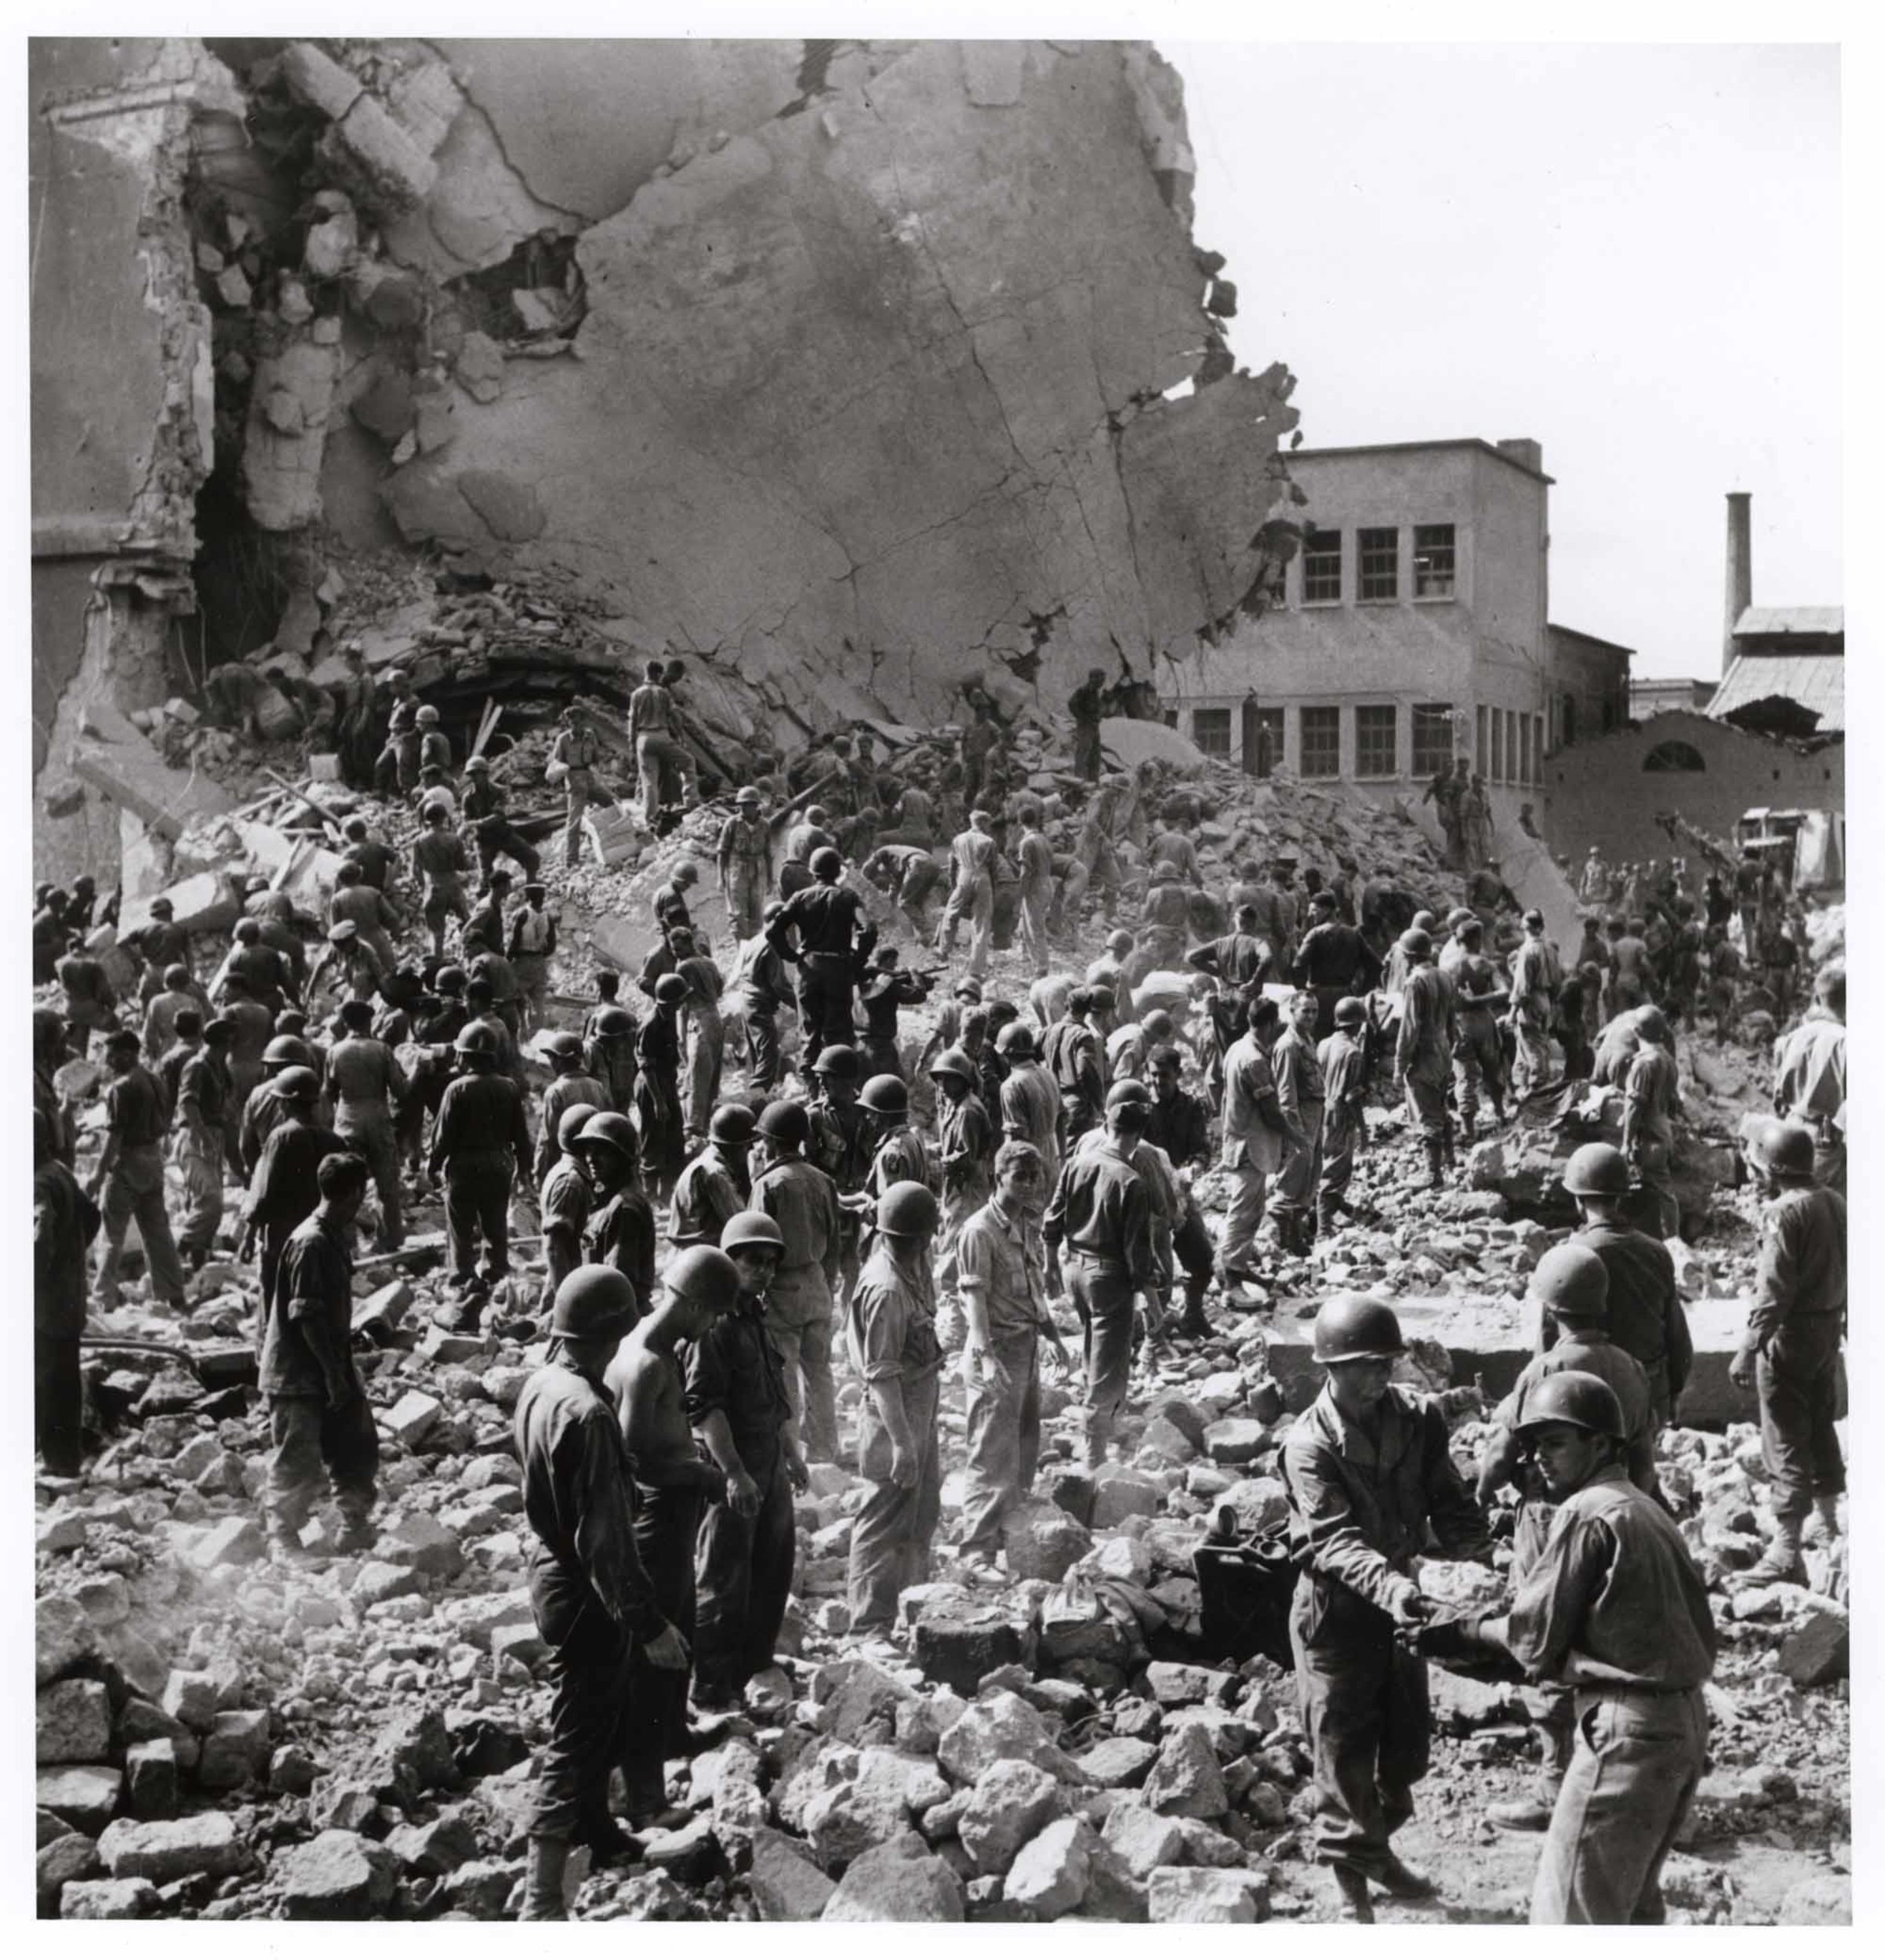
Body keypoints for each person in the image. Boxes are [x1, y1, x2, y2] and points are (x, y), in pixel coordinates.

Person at [1429, 1372, 1716, 1925]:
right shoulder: (1645, 1508)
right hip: (1680, 1725)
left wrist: (1456, 1634)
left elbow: (1531, 1635)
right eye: (1534, 1445)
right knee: (1630, 1910)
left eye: (1557, 1443)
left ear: (1603, 1444)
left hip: (1627, 1731)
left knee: (1571, 1918)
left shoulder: (1587, 1512)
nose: (1539, 1458)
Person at [1280, 1294, 1491, 1922]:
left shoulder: (1415, 1418)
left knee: (1405, 1752)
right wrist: (1396, 1587)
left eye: (1386, 1363)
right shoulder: (1308, 1446)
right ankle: (1352, 1891)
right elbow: (1335, 1542)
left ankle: (1378, 1852)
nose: (1379, 1376)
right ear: (1331, 1369)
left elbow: (1450, 1501)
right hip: (1337, 1617)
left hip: (1403, 1612)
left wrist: (1480, 1562)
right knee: (1343, 1754)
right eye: (1365, 1366)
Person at [514, 1266, 690, 1917]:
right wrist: (649, 1625)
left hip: (552, 1575)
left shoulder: (542, 1383)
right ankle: (541, 1897)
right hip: (585, 1589)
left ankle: (596, 1829)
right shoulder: (589, 1414)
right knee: (578, 1730)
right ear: (613, 1331)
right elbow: (607, 1542)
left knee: (601, 1710)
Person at [1473, 1247, 1658, 1834]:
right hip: (1619, 1510)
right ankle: (1615, 1776)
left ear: (1551, 1307)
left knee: (1546, 1640)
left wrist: (1481, 1497)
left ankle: (1558, 1787)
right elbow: (1645, 1452)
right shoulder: (1630, 1365)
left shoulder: (1544, 1371)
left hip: (1553, 1520)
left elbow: (1502, 1455)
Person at [606, 1247, 742, 1824]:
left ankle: (676, 1735)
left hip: (674, 1515)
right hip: (655, 1519)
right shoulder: (650, 1364)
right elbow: (633, 1460)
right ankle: (645, 1797)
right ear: (690, 1303)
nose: (712, 1326)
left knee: (682, 1625)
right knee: (655, 1651)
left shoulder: (655, 1345)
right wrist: (703, 1474)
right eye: (711, 1314)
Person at [688, 1211, 808, 1708]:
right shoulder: (712, 1324)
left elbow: (773, 1396)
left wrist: (791, 1454)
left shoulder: (755, 1318)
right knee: (723, 1574)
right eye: (752, 1261)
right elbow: (705, 1406)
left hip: (767, 1457)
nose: (762, 1272)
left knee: (774, 1563)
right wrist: (733, 1474)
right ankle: (712, 1685)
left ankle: (755, 1660)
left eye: (770, 1263)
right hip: (730, 1462)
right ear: (728, 1262)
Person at [1730, 1119, 1847, 1583]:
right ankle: (1828, 1519)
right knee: (1820, 1423)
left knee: (1783, 1436)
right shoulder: (1835, 1201)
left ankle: (1785, 1548)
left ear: (1772, 1168)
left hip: (1790, 1337)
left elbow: (1774, 1292)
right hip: (1826, 1332)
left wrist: (1748, 1348)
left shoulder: (1783, 1212)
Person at [261, 1150, 380, 1561]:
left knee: (356, 1443)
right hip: (298, 1373)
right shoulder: (311, 1241)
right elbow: (305, 1314)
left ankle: (353, 1525)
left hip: (329, 1363)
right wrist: (332, 1375)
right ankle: (282, 1539)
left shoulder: (331, 1235)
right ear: (353, 1193)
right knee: (299, 1458)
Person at [955, 1141, 1063, 1573]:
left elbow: (1035, 1291)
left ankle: (1011, 1530)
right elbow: (974, 1302)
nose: (1028, 1184)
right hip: (995, 1351)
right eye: (1019, 1176)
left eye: (1033, 1177)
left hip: (1026, 1347)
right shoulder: (979, 1231)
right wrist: (984, 1357)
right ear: (998, 1177)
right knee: (989, 1453)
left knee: (1024, 1442)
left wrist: (1053, 1335)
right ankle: (977, 1550)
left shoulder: (1026, 1225)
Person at [846, 1180, 947, 1633]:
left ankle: (911, 1605)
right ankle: (868, 1624)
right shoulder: (887, 1288)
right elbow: (882, 1376)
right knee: (883, 1517)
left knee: (922, 1508)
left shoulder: (903, 1265)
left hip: (918, 1407)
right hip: (895, 1417)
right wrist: (904, 1445)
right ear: (922, 1238)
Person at [1042, 1089, 1157, 1469]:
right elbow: (1138, 1259)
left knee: (1095, 1344)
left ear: (1108, 1126)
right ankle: (1094, 1457)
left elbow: (1051, 1221)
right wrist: (1154, 1307)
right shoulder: (1132, 1181)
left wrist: (1050, 1266)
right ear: (1138, 1136)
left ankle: (1100, 1427)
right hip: (1107, 1277)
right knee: (1110, 1366)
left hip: (1074, 1267)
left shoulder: (1078, 1162)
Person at [1555, 1144, 1690, 1436]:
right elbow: (1676, 1332)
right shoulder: (1657, 1252)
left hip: (1588, 1394)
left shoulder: (1570, 1256)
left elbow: (1548, 1340)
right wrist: (1675, 1391)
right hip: (1647, 1391)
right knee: (1641, 1473)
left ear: (1578, 1201)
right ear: (1621, 1198)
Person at [750, 1098, 843, 1463]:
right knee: (820, 1373)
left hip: (780, 1288)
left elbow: (755, 1244)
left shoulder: (769, 1185)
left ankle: (790, 1458)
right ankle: (825, 1450)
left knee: (784, 1376)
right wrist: (829, 1283)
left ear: (773, 1142)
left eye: (764, 1139)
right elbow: (835, 1240)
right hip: (816, 1283)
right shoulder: (823, 1181)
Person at [430, 1022, 532, 1308]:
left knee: (460, 1227)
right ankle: (496, 1275)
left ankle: (461, 1280)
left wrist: (432, 1165)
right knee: (495, 1222)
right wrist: (524, 1169)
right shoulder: (509, 1087)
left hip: (464, 1166)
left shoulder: (456, 1089)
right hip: (499, 1164)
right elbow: (521, 1135)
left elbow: (444, 1137)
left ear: (466, 1057)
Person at [92, 1029, 189, 1313]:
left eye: (111, 1055)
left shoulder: (121, 1087)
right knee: (157, 1232)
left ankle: (103, 1297)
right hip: (153, 1159)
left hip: (128, 1162)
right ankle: (174, 1294)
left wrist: (98, 1176)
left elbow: (115, 1137)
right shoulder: (155, 1081)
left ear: (126, 1054)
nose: (108, 1061)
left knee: (112, 1235)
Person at [766, 847, 876, 1072]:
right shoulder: (848, 897)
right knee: (839, 1033)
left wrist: (792, 955)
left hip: (809, 969)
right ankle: (838, 1086)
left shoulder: (799, 897)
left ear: (813, 872)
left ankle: (811, 1089)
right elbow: (869, 929)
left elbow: (773, 931)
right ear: (837, 872)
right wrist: (856, 963)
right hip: (838, 969)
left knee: (809, 1033)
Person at [35, 1110, 100, 1477]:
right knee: (65, 1377)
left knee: (47, 1380)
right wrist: (71, 1256)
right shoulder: (59, 1170)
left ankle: (56, 1462)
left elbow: (38, 1243)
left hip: (44, 1303)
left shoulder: (38, 1184)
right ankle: (66, 1459)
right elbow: (92, 1217)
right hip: (69, 1296)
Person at [1142, 1045, 1215, 1339]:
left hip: (1179, 1191)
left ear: (1178, 1075)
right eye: (1154, 1075)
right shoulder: (1142, 1108)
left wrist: (1195, 1168)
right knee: (1156, 1269)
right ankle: (1152, 1332)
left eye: (1166, 1076)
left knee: (1201, 1258)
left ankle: (1193, 1315)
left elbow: (1202, 1149)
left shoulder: (1192, 1107)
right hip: (1147, 1198)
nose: (1159, 1082)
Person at [1217, 996, 1289, 1286]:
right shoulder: (1255, 1061)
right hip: (1251, 1145)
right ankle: (1230, 1277)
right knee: (1243, 1212)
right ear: (1271, 1023)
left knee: (1252, 1209)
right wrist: (1295, 1138)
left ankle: (1238, 1265)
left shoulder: (1237, 1049)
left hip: (1239, 1140)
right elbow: (1272, 1112)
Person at [570, 1112, 658, 1312]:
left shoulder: (625, 1207)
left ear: (621, 1156)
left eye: (601, 1152)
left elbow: (617, 1282)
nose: (591, 1159)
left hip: (617, 1316)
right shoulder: (611, 1199)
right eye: (588, 1151)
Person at [1771, 966, 1847, 1193]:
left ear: (1816, 999)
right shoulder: (1846, 1042)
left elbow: (1777, 1098)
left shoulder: (1792, 1037)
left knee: (1796, 1205)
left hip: (1791, 1132)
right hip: (1825, 1141)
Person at [1395, 927, 1458, 1192]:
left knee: (1426, 1113)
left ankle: (1433, 1174)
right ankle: (1451, 1159)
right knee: (1440, 1105)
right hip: (1443, 1048)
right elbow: (1452, 1019)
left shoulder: (1414, 982)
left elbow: (1409, 1029)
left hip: (1424, 1054)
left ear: (1408, 955)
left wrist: (1400, 1066)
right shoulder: (1444, 975)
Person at [173, 1015, 234, 1269]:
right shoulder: (198, 1066)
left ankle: (197, 1263)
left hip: (213, 1137)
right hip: (196, 1137)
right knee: (210, 1199)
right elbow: (188, 1103)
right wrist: (205, 1137)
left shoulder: (220, 1067)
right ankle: (180, 1249)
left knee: (213, 1207)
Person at [1269, 990, 1325, 1255]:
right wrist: (1296, 1134)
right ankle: (1285, 1239)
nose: (1311, 1016)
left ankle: (1297, 1235)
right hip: (1300, 1116)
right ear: (1292, 1012)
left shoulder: (1307, 1040)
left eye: (1314, 1011)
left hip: (1315, 1113)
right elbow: (1286, 1095)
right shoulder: (1288, 1046)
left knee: (1310, 1177)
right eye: (1306, 1011)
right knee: (1292, 1177)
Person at [1620, 1007, 1681, 1238]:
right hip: (1663, 1129)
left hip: (1649, 1137)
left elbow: (1634, 1105)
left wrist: (1626, 1142)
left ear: (1636, 1031)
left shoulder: (1643, 1064)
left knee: (1661, 1190)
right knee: (1657, 1188)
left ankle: (1672, 1244)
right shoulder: (1668, 1059)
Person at [1293, 891, 1382, 1038]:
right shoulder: (1353, 934)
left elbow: (1297, 967)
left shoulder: (1315, 934)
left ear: (1327, 910)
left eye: (1314, 910)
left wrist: (1305, 992)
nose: (1310, 915)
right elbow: (1376, 966)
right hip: (1346, 996)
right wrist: (1360, 992)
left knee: (1319, 1043)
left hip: (1320, 999)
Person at [539, 1103, 599, 1317]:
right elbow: (554, 1249)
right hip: (568, 1288)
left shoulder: (572, 1174)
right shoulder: (570, 1182)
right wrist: (568, 1305)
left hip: (569, 1281)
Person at [1451, 920, 1509, 1134]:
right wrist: (1478, 1000)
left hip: (1459, 1023)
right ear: (1477, 938)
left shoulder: (1448, 967)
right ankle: (1501, 1113)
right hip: (1483, 1020)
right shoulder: (1484, 964)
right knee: (1492, 1068)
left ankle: (1468, 1130)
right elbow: (1504, 991)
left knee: (1464, 1075)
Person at [670, 1102, 755, 1249]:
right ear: (735, 1146)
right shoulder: (715, 1173)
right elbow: (741, 1223)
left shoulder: (707, 1161)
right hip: (699, 1254)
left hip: (694, 1249)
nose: (750, 1150)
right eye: (746, 1145)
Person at [728, 902, 792, 1094]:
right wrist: (800, 1003)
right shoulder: (772, 946)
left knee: (756, 1056)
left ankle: (754, 1097)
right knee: (769, 1055)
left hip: (747, 1002)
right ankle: (757, 1100)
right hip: (759, 1004)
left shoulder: (755, 940)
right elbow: (779, 985)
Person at [635, 975, 688, 1201]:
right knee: (653, 1138)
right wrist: (658, 1101)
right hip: (651, 1086)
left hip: (665, 1082)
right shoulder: (651, 1023)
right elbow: (646, 1066)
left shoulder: (669, 1017)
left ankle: (667, 1193)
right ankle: (649, 1193)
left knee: (674, 1135)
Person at [534, 1033, 610, 1184]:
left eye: (552, 1058)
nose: (551, 1063)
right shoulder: (598, 1087)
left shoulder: (555, 1091)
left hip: (568, 1167)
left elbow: (548, 1139)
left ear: (560, 1061)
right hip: (594, 1163)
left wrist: (539, 1173)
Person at [995, 1019, 1062, 1191]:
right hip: (1052, 1159)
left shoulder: (1011, 1085)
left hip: (1028, 1168)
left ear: (1007, 1054)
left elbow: (1016, 1138)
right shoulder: (1048, 1074)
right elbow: (1062, 1118)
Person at [1041, 985, 1108, 1145]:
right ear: (1088, 1010)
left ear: (1066, 1006)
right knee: (1075, 1152)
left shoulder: (1048, 1031)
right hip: (1075, 1104)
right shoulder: (1083, 1036)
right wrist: (1099, 1102)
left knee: (1057, 1151)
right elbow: (1086, 1071)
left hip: (1051, 1100)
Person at [936, 808, 998, 979]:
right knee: (981, 924)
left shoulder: (958, 839)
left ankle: (943, 951)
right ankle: (976, 970)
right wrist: (993, 889)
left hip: (963, 876)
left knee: (950, 913)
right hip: (983, 878)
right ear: (984, 823)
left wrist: (954, 885)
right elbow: (994, 869)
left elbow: (952, 865)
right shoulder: (989, 842)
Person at [1508, 909, 1562, 1099]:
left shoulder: (1527, 950)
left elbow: (1522, 986)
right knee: (1536, 1043)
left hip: (1530, 1001)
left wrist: (1512, 1012)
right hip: (1546, 998)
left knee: (1532, 1044)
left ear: (1525, 926)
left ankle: (1538, 1089)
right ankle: (1523, 1086)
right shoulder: (1550, 948)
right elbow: (1557, 980)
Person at [858, 947, 931, 1081]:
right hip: (881, 1048)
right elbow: (918, 995)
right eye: (894, 962)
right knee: (894, 1088)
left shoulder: (862, 980)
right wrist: (915, 975)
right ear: (888, 960)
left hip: (859, 1045)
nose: (895, 966)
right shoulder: (885, 983)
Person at [412, 804, 471, 960]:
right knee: (467, 923)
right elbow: (463, 865)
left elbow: (416, 869)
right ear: (444, 817)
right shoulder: (454, 838)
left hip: (433, 886)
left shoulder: (419, 840)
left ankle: (437, 967)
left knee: (436, 934)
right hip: (452, 884)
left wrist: (422, 886)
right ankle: (472, 955)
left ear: (426, 819)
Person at [716, 787, 775, 944]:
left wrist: (770, 879)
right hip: (737, 870)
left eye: (747, 804)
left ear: (756, 806)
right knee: (738, 912)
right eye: (741, 804)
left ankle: (754, 945)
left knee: (757, 910)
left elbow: (769, 854)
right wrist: (720, 878)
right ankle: (741, 947)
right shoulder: (732, 823)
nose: (743, 808)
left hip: (758, 869)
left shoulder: (765, 825)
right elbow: (722, 852)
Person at [549, 705, 602, 868]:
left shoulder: (590, 735)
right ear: (568, 724)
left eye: (578, 722)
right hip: (574, 779)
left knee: (611, 802)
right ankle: (571, 860)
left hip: (589, 777)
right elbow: (556, 762)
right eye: (572, 723)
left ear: (583, 721)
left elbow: (596, 758)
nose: (575, 726)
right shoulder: (563, 740)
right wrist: (562, 771)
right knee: (574, 821)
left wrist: (597, 774)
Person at [508, 883, 558, 1035]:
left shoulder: (522, 914)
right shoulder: (547, 916)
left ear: (527, 897)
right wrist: (541, 956)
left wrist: (508, 959)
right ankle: (536, 1035)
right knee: (538, 1003)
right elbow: (552, 945)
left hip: (522, 960)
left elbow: (514, 941)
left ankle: (519, 1033)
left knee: (515, 998)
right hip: (539, 961)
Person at [1015, 803, 1055, 977]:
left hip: (1035, 887)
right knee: (1029, 925)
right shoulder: (1043, 839)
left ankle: (1041, 968)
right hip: (1048, 882)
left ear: (1020, 822)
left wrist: (1019, 896)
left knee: (1035, 929)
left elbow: (1025, 873)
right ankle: (1028, 961)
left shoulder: (1026, 842)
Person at [1068, 667, 1107, 781]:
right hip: (1086, 727)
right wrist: (1082, 718)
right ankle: (1079, 778)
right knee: (1083, 752)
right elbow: (1072, 704)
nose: (1103, 682)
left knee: (1095, 754)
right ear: (1093, 678)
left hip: (1094, 726)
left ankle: (1093, 779)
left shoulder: (1095, 692)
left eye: (1103, 679)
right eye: (1101, 679)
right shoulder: (1084, 691)